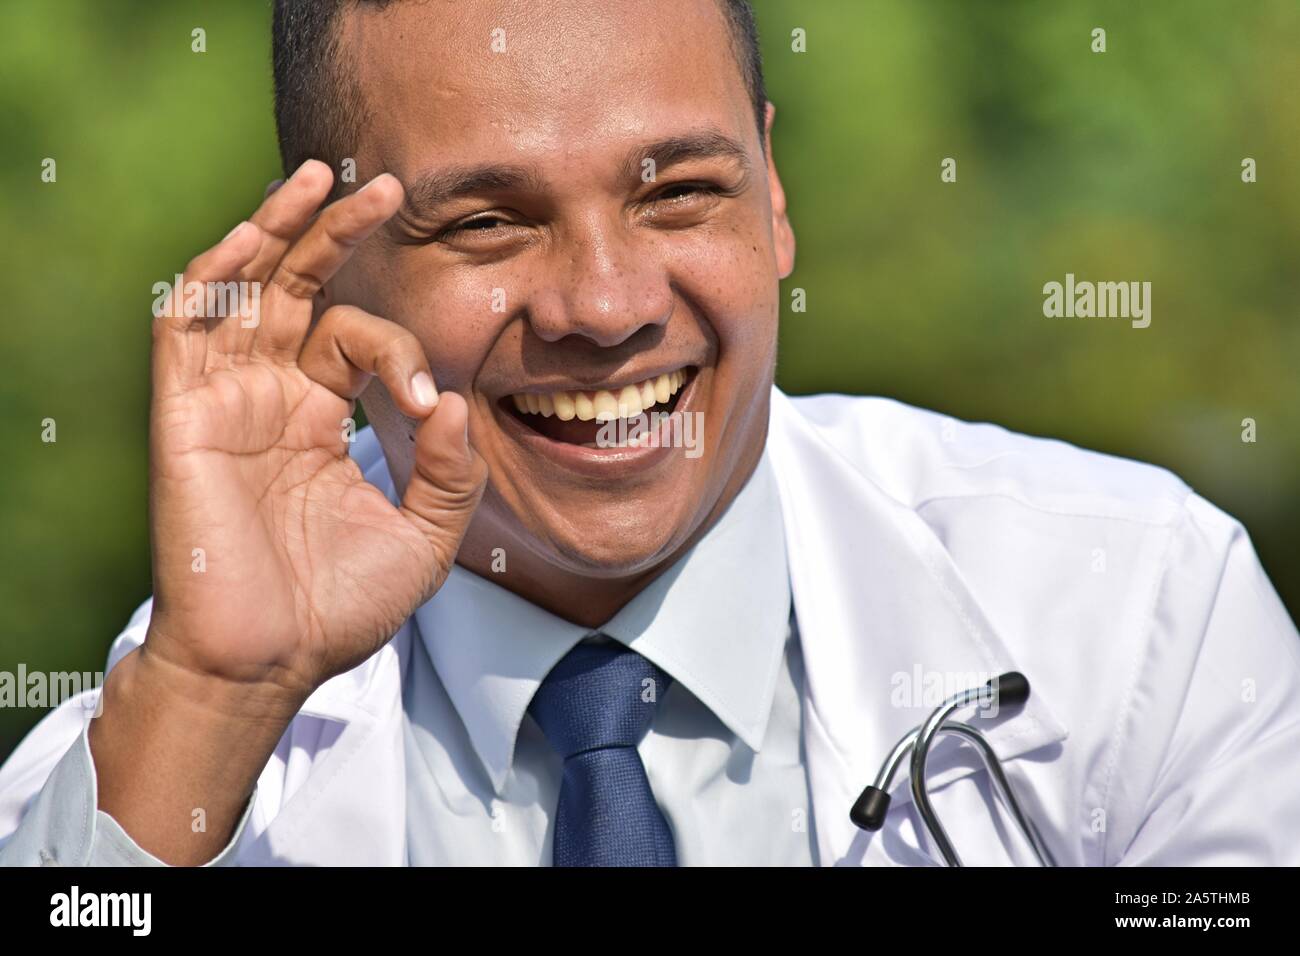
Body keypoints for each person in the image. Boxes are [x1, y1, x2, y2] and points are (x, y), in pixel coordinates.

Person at [2, 0, 1297, 867]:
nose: (609, 308)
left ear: (774, 194)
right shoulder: (149, 762)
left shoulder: (1147, 616)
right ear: (330, 274)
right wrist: (212, 701)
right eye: (488, 225)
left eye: (677, 192)